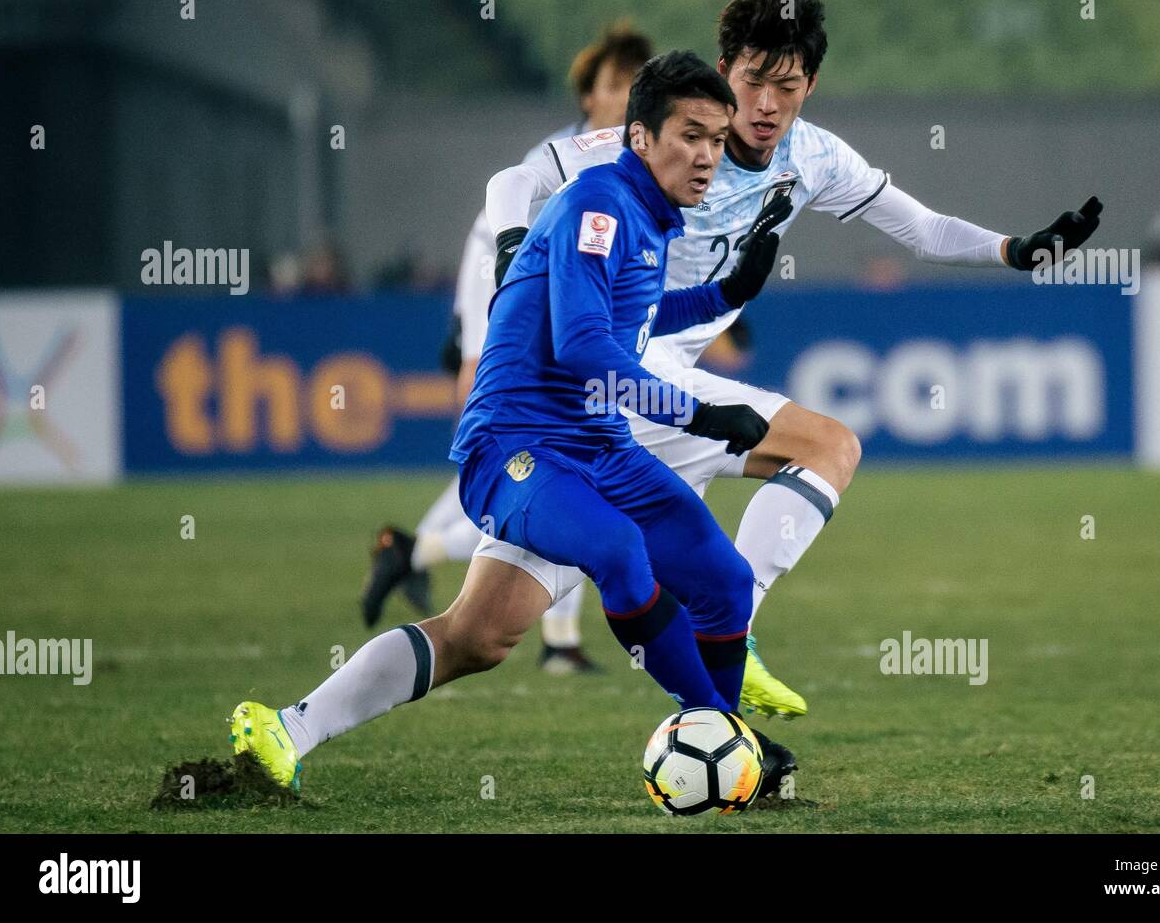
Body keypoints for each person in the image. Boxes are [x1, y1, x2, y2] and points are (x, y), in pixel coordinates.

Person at [467, 0, 1104, 718]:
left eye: (788, 85)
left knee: (479, 634)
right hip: (622, 375)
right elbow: (512, 179)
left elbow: (924, 228)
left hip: (647, 383)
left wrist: (1016, 249)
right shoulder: (654, 142)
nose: (768, 105)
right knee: (829, 446)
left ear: (812, 84)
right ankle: (731, 640)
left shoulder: (817, 159)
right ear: (725, 71)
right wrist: (514, 251)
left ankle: (299, 727)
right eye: (753, 82)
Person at [229, 51, 798, 796]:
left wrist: (731, 288)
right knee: (619, 550)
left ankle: (285, 727)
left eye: (719, 140)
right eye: (691, 134)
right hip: (516, 447)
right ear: (639, 138)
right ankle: (721, 732)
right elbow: (586, 349)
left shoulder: (650, 215)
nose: (707, 156)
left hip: (599, 448)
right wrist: (699, 413)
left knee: (692, 587)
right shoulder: (601, 205)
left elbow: (639, 316)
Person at [362, 22, 653, 676]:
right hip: (530, 346)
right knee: (564, 481)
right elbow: (489, 231)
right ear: (591, 97)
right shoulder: (566, 155)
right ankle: (429, 562)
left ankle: (434, 564)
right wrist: (472, 335)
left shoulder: (640, 160)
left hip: (572, 344)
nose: (628, 94)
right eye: (616, 84)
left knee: (565, 480)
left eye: (638, 81)